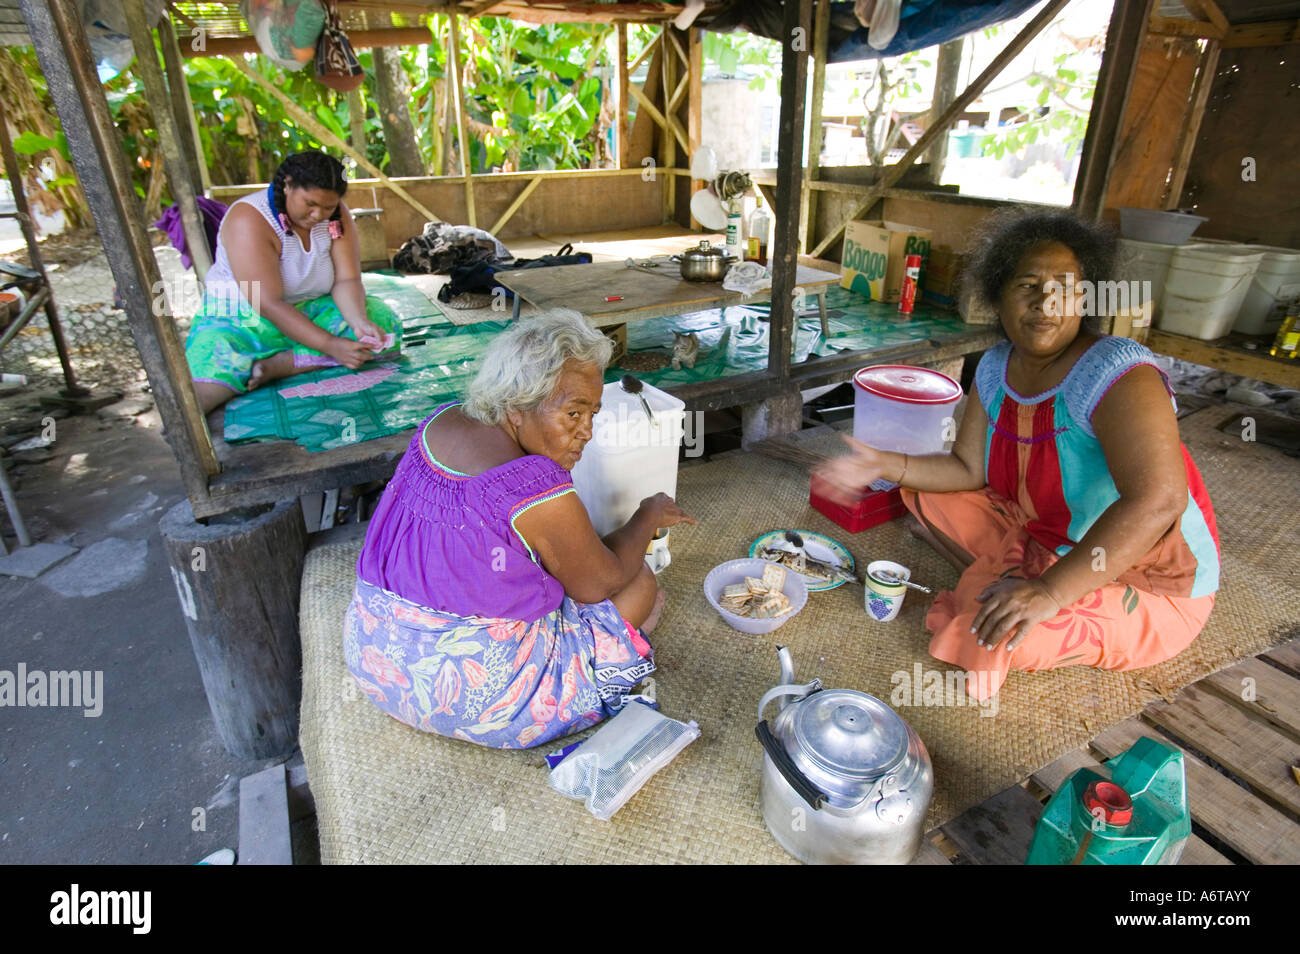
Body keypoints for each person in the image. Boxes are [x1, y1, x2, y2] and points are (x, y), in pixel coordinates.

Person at [818, 210, 1220, 699]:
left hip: (1145, 574)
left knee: (991, 638)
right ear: (998, 297)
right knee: (920, 494)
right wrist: (883, 463)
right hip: (1051, 531)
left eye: (1064, 286)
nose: (1045, 301)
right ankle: (1019, 570)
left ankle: (1024, 580)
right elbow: (967, 469)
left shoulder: (1119, 371)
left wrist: (1050, 593)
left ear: (1086, 297)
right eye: (1027, 284)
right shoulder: (994, 367)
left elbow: (1158, 502)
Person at [344, 310, 695, 748]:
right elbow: (598, 583)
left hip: (378, 652)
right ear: (517, 405)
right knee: (639, 582)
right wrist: (646, 517)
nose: (585, 432)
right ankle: (616, 652)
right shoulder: (530, 484)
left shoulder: (441, 422)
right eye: (572, 413)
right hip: (474, 697)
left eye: (592, 413)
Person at [185, 151, 399, 413]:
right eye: (310, 203)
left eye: (328, 206)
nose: (318, 214)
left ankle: (282, 364)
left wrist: (358, 322)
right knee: (205, 388)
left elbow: (347, 279)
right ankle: (310, 356)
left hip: (308, 310)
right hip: (243, 319)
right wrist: (331, 345)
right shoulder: (250, 218)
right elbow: (269, 304)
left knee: (379, 325)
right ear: (286, 184)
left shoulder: (336, 216)